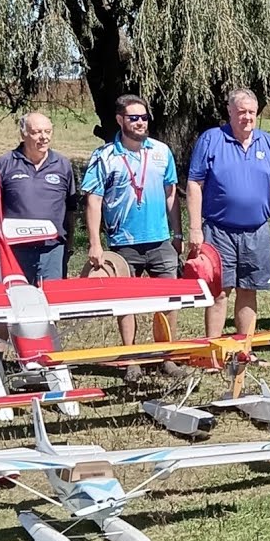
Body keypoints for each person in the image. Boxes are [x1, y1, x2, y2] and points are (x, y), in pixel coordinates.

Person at [80, 94, 185, 383]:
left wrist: (177, 233)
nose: (140, 122)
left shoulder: (162, 152)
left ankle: (167, 357)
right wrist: (94, 242)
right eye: (133, 118)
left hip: (161, 240)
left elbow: (171, 194)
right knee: (127, 304)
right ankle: (131, 359)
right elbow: (94, 200)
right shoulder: (104, 157)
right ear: (120, 120)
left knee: (169, 302)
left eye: (144, 117)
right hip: (123, 242)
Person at [186, 89, 270, 360]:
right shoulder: (211, 140)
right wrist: (195, 228)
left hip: (257, 230)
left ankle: (244, 349)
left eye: (251, 112)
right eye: (241, 111)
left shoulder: (267, 143)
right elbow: (194, 184)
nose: (246, 117)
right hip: (219, 231)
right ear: (230, 112)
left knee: (249, 289)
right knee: (220, 291)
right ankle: (212, 352)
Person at [0, 111, 77, 286]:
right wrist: (1, 244)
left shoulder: (63, 165)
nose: (44, 137)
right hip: (15, 250)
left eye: (48, 132)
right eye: (37, 132)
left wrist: (68, 245)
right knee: (13, 303)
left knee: (52, 304)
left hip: (53, 250)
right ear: (23, 134)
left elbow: (70, 210)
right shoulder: (3, 164)